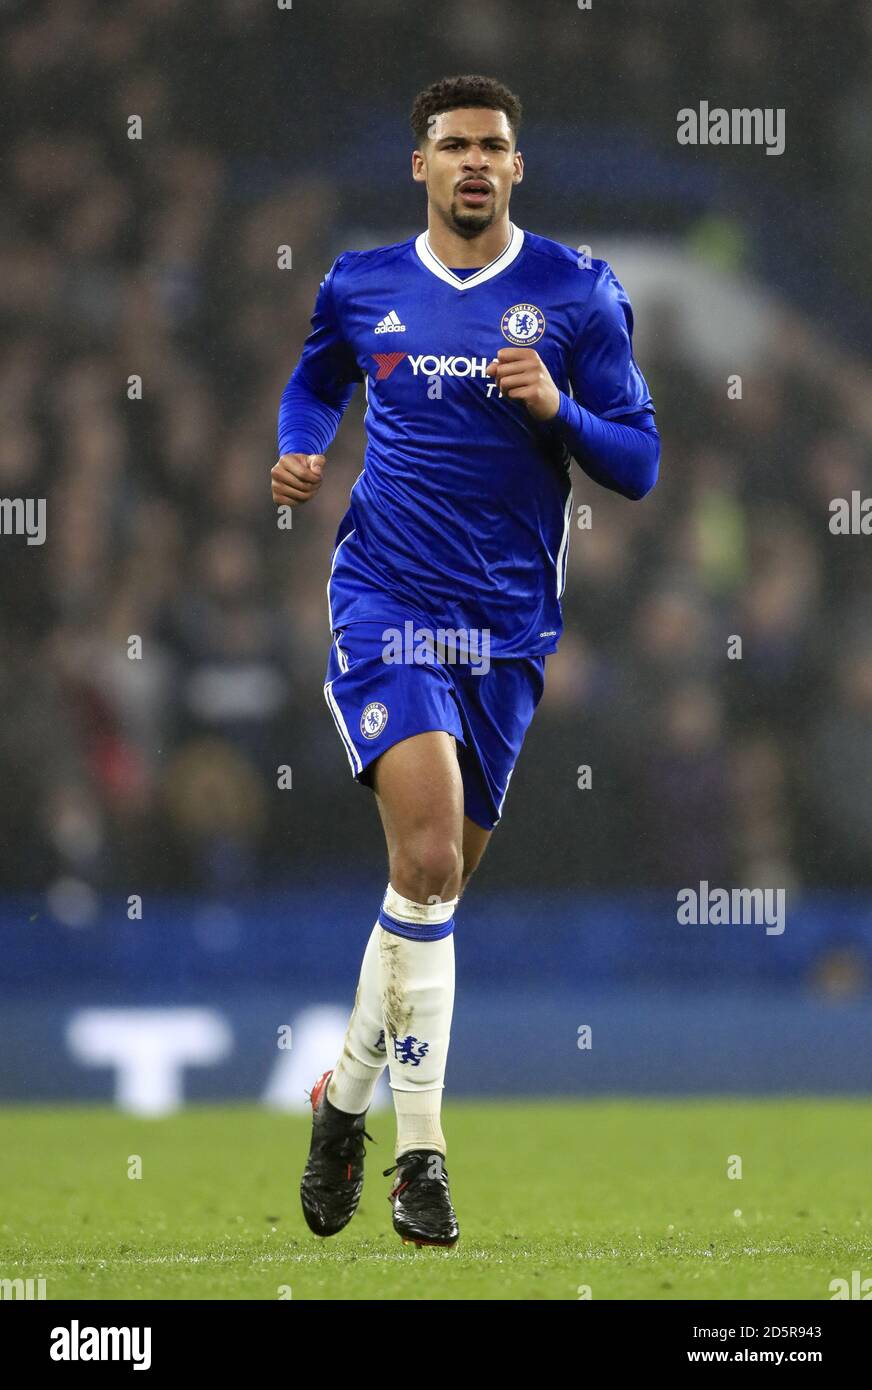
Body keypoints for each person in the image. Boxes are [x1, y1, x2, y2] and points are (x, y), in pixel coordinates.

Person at [273, 74, 660, 1247]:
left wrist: (556, 411)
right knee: (431, 856)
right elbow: (313, 381)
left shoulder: (577, 293)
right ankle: (422, 1157)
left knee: (424, 893)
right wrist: (299, 451)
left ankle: (340, 1102)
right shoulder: (363, 284)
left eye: (493, 145)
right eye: (453, 145)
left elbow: (635, 463)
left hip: (503, 632)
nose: (474, 162)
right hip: (386, 601)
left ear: (516, 168)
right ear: (420, 167)